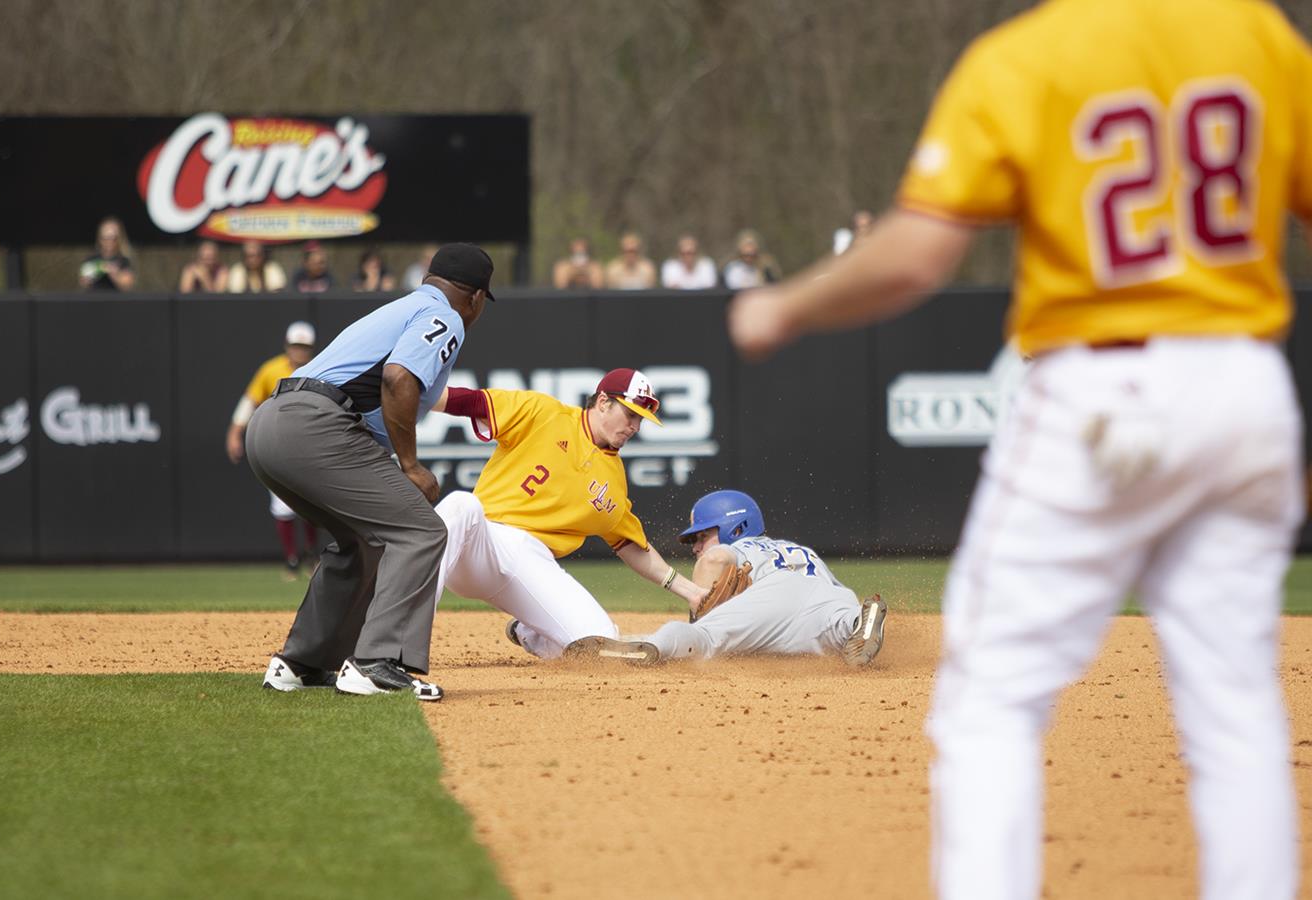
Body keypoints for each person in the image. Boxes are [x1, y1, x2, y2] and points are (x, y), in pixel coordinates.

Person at [727, 3, 1312, 897]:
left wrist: (786, 305)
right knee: (1236, 714)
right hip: (1243, 384)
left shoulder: (1028, 54)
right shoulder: (1260, 36)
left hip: (1100, 385)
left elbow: (920, 254)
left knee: (992, 702)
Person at [248, 243, 496, 701]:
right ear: (476, 297)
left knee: (364, 540)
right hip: (315, 424)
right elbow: (398, 378)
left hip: (270, 425)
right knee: (422, 532)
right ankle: (376, 664)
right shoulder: (446, 316)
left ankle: (301, 664)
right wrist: (410, 465)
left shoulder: (404, 304)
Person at [429, 368, 710, 659]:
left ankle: (530, 630)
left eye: (640, 419)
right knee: (462, 505)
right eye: (630, 415)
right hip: (480, 544)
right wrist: (410, 393)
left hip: (530, 563)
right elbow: (469, 402)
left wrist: (692, 593)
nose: (635, 426)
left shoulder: (614, 481)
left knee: (599, 644)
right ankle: (398, 634)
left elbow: (630, 545)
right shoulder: (545, 413)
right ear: (603, 402)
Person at [580, 489, 886, 666]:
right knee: (843, 627)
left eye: (702, 535)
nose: (697, 547)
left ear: (736, 529)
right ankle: (861, 621)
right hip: (831, 599)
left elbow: (716, 557)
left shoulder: (739, 546)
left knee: (704, 638)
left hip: (772, 597)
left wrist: (700, 610)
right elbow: (833, 588)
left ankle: (652, 647)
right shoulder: (798, 549)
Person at [225, 321, 321, 580]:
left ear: (311, 349)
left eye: (304, 347)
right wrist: (235, 431)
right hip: (277, 444)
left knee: (311, 503)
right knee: (282, 505)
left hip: (309, 443)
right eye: (295, 346)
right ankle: (291, 560)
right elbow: (250, 401)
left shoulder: (321, 367)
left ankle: (312, 554)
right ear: (287, 346)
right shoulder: (271, 370)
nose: (299, 351)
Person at [78, 217, 135, 291]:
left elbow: (127, 285)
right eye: (105, 238)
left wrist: (113, 272)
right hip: (94, 300)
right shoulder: (91, 259)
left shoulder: (124, 260)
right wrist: (94, 272)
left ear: (119, 239)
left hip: (116, 300)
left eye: (113, 238)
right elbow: (83, 282)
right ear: (100, 238)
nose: (109, 242)